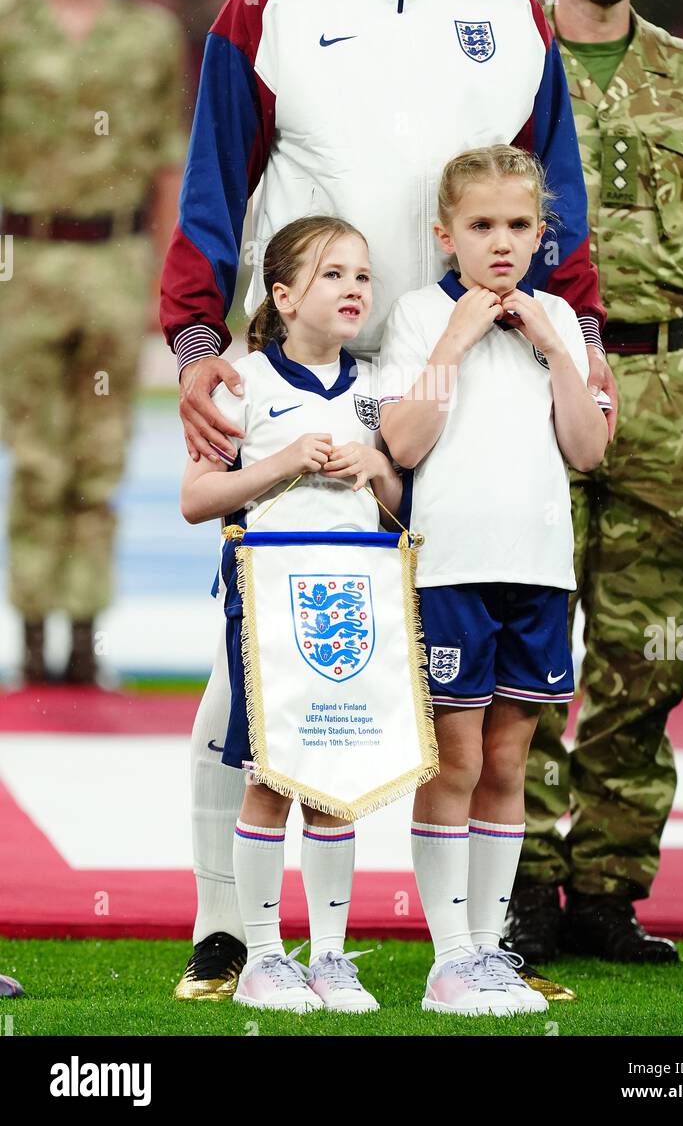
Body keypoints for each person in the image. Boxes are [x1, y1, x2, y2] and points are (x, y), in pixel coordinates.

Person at [162, 0, 614, 1000]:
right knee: (260, 660)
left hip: (472, 389)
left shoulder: (507, 14)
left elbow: (551, 202)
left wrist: (578, 340)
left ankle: (461, 941)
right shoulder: (271, 7)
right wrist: (200, 350)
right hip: (318, 379)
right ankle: (226, 930)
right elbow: (213, 192)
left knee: (467, 691)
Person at [505, 0, 683, 964]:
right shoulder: (504, 62)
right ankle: (518, 883)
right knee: (525, 635)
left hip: (658, 379)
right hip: (533, 372)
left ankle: (606, 883)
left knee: (650, 646)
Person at [379, 144, 608, 1015]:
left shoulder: (554, 318)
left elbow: (588, 449)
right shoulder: (416, 316)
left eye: (518, 225)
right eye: (481, 226)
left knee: (510, 759)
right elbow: (401, 444)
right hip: (452, 568)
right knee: (457, 755)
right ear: (447, 234)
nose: (501, 242)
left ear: (541, 234)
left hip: (538, 570)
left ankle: (489, 947)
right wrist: (456, 337)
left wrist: (556, 345)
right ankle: (450, 957)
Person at [180, 214, 401, 1013]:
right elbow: (196, 498)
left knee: (337, 783)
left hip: (353, 605)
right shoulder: (245, 380)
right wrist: (276, 466)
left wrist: (376, 467)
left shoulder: (377, 387)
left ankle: (333, 957)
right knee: (269, 780)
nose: (353, 289)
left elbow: (401, 504)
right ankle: (266, 955)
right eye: (333, 274)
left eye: (363, 275)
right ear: (282, 293)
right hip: (268, 603)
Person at [0, 0, 187, 686]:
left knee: (103, 455)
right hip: (24, 258)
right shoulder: (5, 24)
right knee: (38, 456)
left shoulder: (146, 35)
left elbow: (165, 161)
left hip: (113, 258)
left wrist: (167, 275)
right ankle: (34, 635)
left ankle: (84, 638)